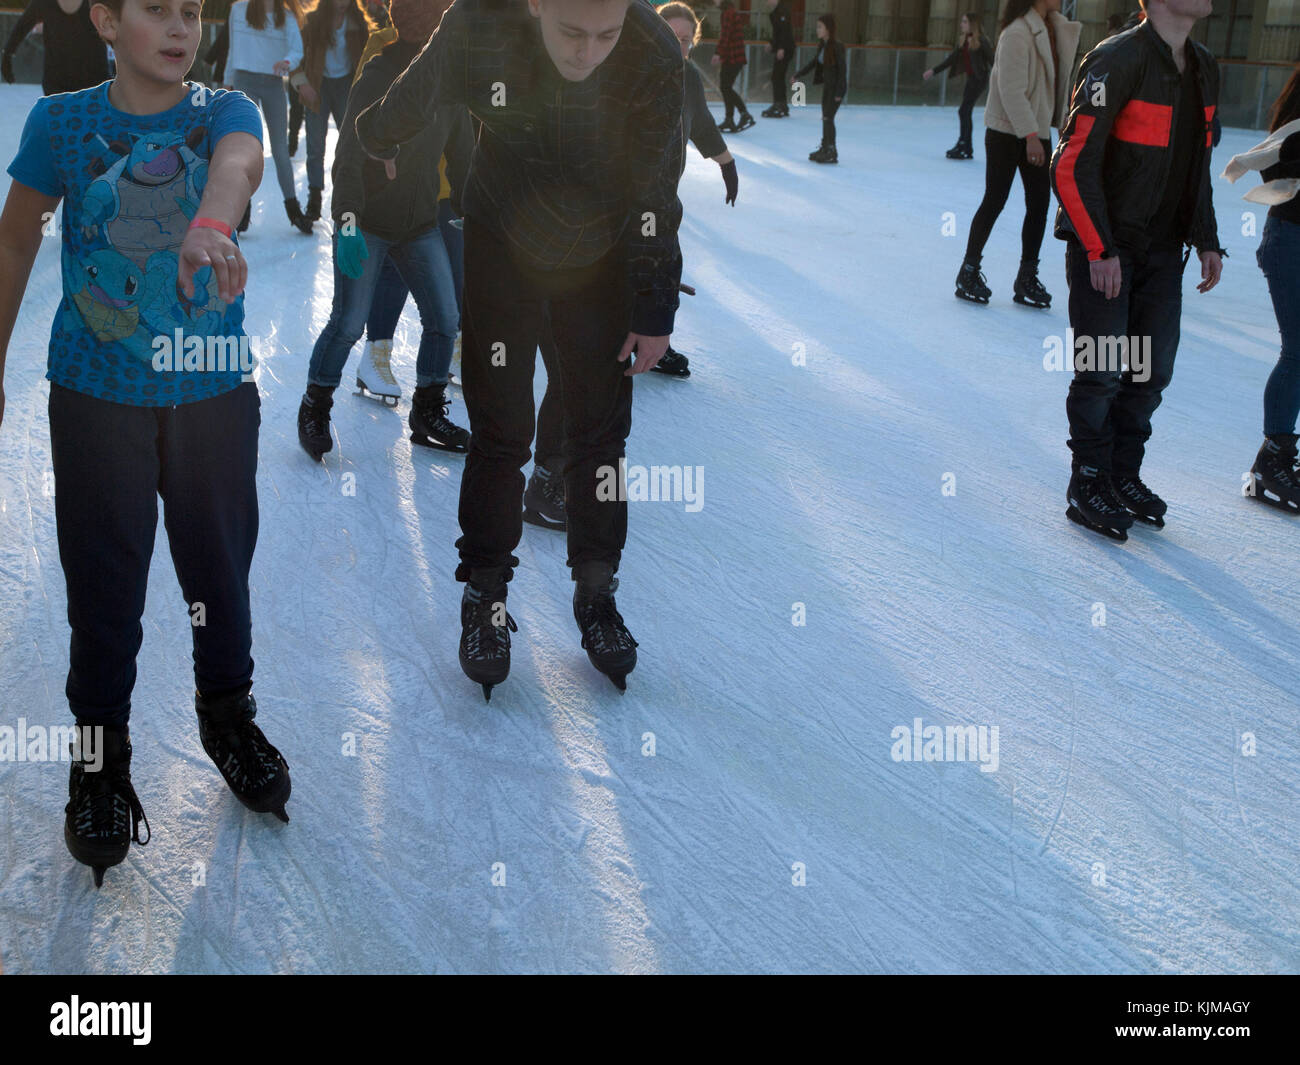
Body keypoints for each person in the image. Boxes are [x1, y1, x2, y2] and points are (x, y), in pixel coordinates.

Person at [0, 0, 291, 887]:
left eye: (193, 12)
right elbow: (15, 239)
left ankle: (226, 714)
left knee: (217, 572)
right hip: (96, 394)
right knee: (105, 586)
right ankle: (99, 758)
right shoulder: (62, 121)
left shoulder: (220, 113)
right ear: (105, 18)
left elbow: (240, 165)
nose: (180, 28)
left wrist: (211, 219)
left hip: (208, 392)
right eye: (156, 10)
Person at [354, 0, 685, 698]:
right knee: (502, 427)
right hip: (505, 239)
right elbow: (424, 83)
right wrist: (377, 135)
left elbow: (657, 188)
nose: (587, 51)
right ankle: (486, 594)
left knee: (600, 432)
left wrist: (654, 304)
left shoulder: (653, 54)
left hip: (601, 255)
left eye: (606, 34)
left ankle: (597, 596)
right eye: (572, 32)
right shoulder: (480, 19)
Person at [1051, 0, 1224, 541]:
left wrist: (1208, 238)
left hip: (1163, 252)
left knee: (1149, 374)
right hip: (1107, 249)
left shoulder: (1203, 67)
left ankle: (1123, 474)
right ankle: (1089, 479)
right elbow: (1071, 162)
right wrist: (1100, 250)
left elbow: (1197, 165)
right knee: (1101, 371)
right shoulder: (1114, 60)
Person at [297, 0, 469, 460]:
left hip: (418, 225)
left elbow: (463, 157)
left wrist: (476, 212)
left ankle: (428, 409)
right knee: (348, 322)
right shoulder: (379, 74)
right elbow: (348, 156)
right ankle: (316, 403)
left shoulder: (451, 84)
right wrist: (348, 223)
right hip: (368, 223)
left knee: (445, 319)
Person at [954, 0, 1079, 307]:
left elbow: (1057, 84)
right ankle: (968, 270)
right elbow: (1011, 90)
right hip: (1008, 132)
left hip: (1035, 129)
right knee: (995, 199)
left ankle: (1027, 276)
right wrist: (1031, 136)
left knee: (1039, 203)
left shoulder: (1051, 28)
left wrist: (1060, 120)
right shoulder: (1017, 33)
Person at [1223, 67, 1300, 512]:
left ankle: (1275, 459)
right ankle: (1273, 459)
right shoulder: (1295, 129)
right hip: (1290, 245)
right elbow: (1267, 168)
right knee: (1297, 351)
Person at [225, 0, 313, 233]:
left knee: (280, 149)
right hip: (244, 81)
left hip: (273, 84)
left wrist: (287, 62)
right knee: (245, 148)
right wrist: (227, 83)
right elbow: (232, 50)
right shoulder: (238, 10)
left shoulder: (286, 16)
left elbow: (297, 50)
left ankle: (293, 209)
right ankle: (242, 208)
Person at [292, 0, 375, 224]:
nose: (342, 3)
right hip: (318, 86)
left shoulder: (358, 22)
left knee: (351, 144)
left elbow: (372, 56)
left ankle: (353, 197)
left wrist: (368, 89)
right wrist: (302, 84)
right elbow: (293, 55)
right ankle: (314, 199)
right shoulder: (311, 22)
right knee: (315, 146)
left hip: (347, 86)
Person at [923, 12, 993, 161]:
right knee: (964, 111)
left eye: (965, 22)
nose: (961, 24)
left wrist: (999, 80)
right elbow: (951, 60)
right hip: (972, 79)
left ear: (972, 24)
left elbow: (993, 61)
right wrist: (933, 71)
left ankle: (964, 145)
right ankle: (965, 146)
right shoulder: (964, 41)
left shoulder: (981, 41)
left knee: (964, 110)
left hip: (979, 80)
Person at [2, 0, 109, 95]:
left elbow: (22, 26)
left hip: (59, 81)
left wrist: (7, 54)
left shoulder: (44, 2)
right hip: (91, 79)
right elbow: (22, 26)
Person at [793, 13, 846, 164]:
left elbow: (843, 70)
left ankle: (832, 150)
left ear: (828, 29)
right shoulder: (824, 45)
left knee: (828, 118)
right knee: (825, 118)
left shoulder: (837, 46)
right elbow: (814, 63)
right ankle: (825, 147)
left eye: (820, 27)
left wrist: (839, 92)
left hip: (836, 89)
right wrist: (798, 75)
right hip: (828, 88)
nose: (817, 30)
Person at [712, 0, 752, 132]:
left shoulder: (728, 13)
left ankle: (743, 114)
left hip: (733, 57)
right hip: (732, 57)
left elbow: (725, 35)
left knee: (725, 87)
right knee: (726, 87)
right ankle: (730, 119)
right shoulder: (729, 11)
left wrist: (718, 53)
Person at [761, 0, 794, 119]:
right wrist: (772, 44)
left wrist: (781, 48)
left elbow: (785, 31)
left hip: (786, 48)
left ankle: (779, 104)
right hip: (783, 48)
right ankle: (782, 104)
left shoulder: (782, 10)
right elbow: (777, 33)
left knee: (777, 76)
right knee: (778, 76)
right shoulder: (776, 12)